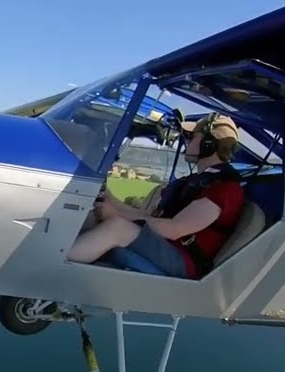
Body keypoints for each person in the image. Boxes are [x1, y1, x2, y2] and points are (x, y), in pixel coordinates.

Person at [67, 112, 246, 279]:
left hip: (185, 261)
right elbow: (153, 218)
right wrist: (111, 200)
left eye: (193, 137)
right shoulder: (196, 182)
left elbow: (174, 229)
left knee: (117, 228)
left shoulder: (224, 189)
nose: (186, 142)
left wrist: (118, 214)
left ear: (209, 144)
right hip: (168, 247)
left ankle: (50, 273)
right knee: (94, 217)